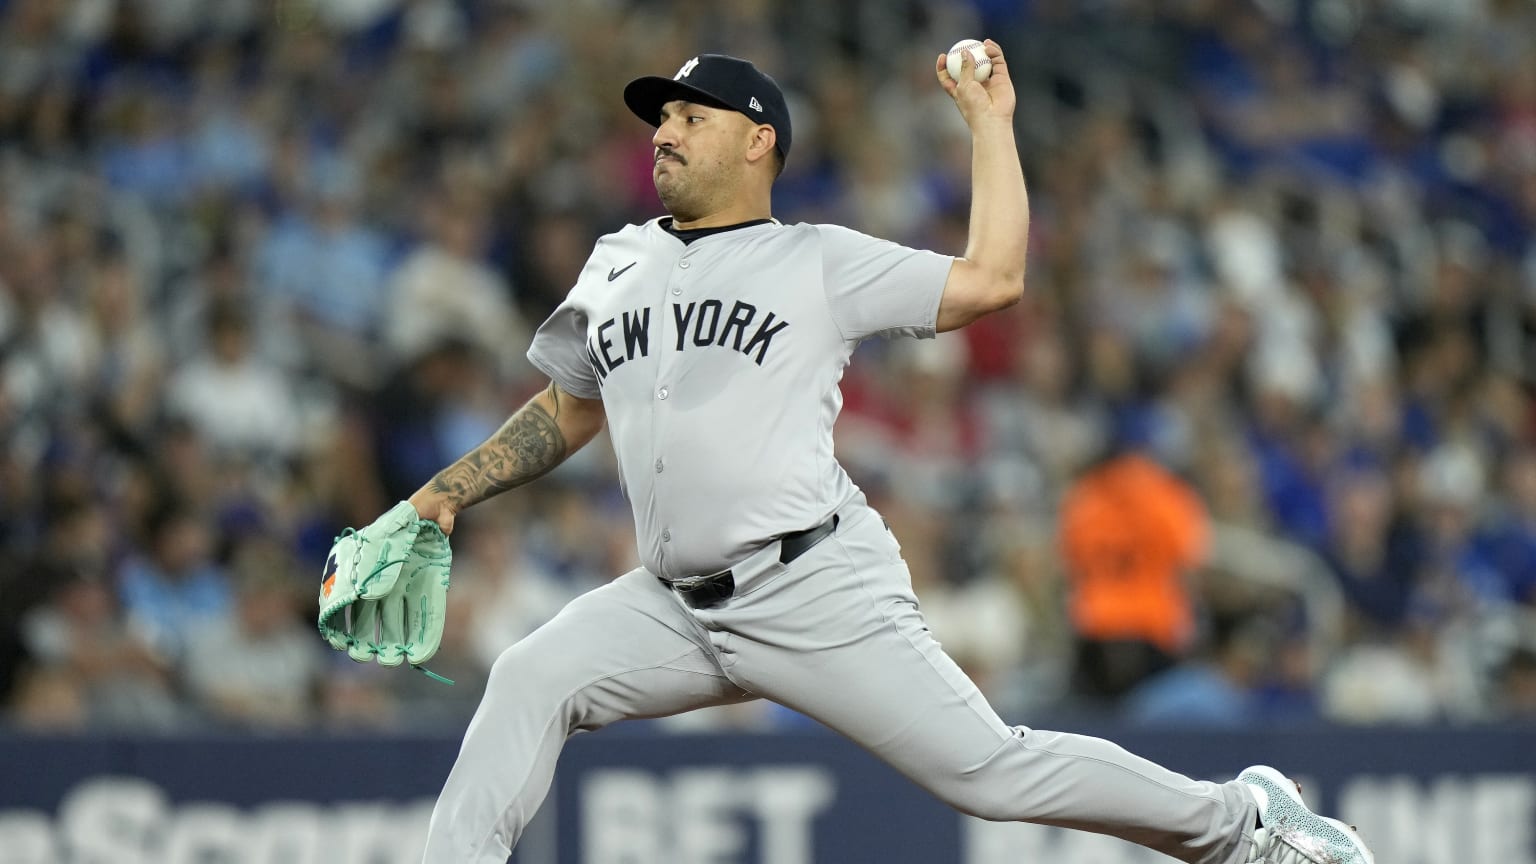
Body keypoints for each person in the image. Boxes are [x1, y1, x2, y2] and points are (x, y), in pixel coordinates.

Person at [403, 44, 1374, 864]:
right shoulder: (618, 260)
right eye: (662, 119)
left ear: (757, 140)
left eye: (691, 117)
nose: (664, 133)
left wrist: (990, 124)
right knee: (530, 676)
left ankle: (1243, 824)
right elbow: (568, 408)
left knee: (992, 773)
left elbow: (993, 279)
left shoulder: (817, 260)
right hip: (668, 602)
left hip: (808, 583)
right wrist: (440, 497)